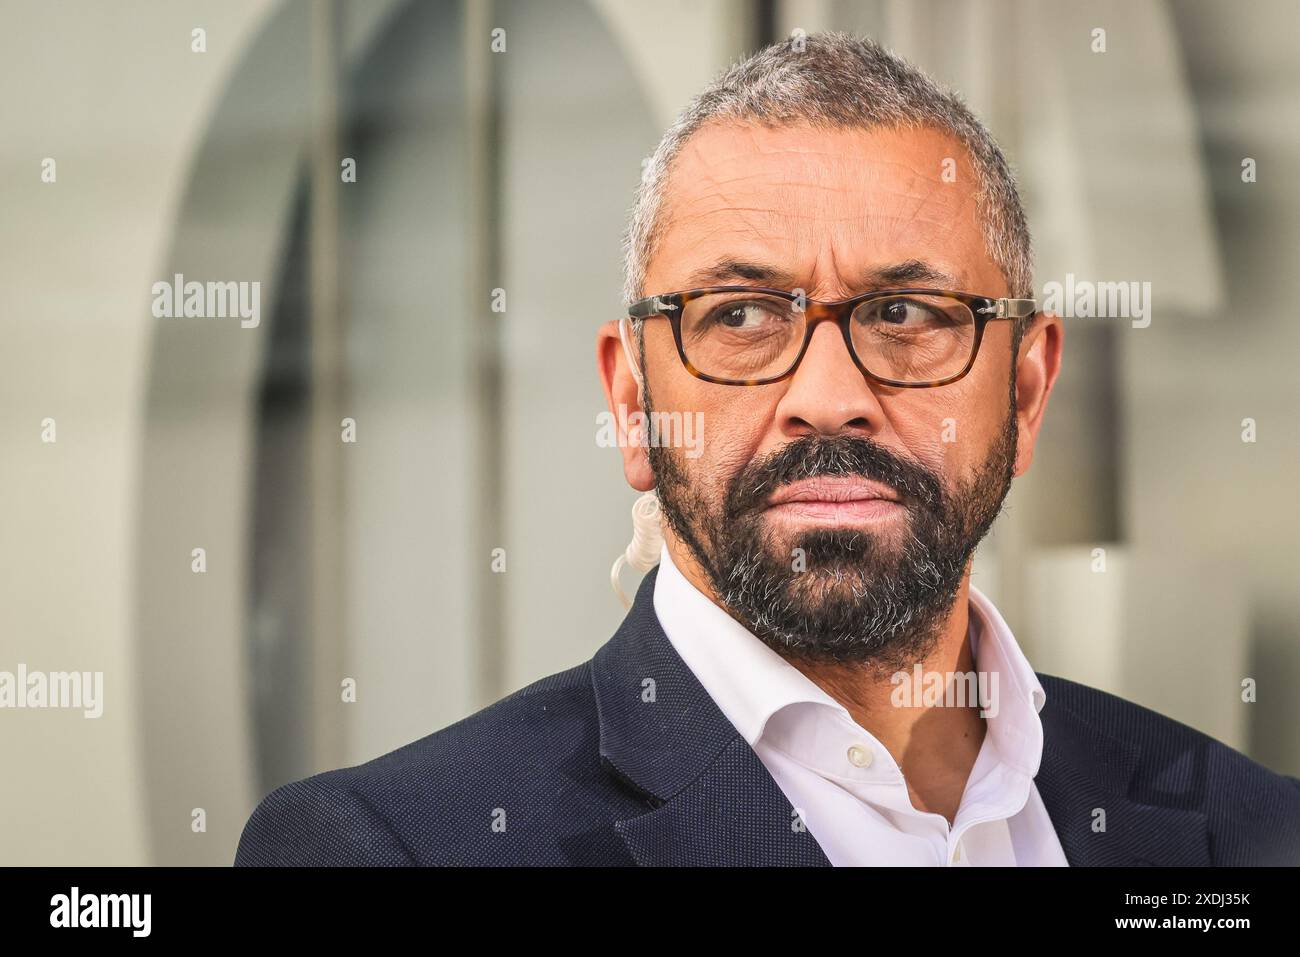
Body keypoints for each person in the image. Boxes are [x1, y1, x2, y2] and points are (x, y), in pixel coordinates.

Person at [235, 31, 1300, 866]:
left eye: (907, 313)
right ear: (631, 399)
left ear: (1024, 391)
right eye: (740, 316)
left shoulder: (1251, 831)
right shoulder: (396, 850)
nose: (828, 399)